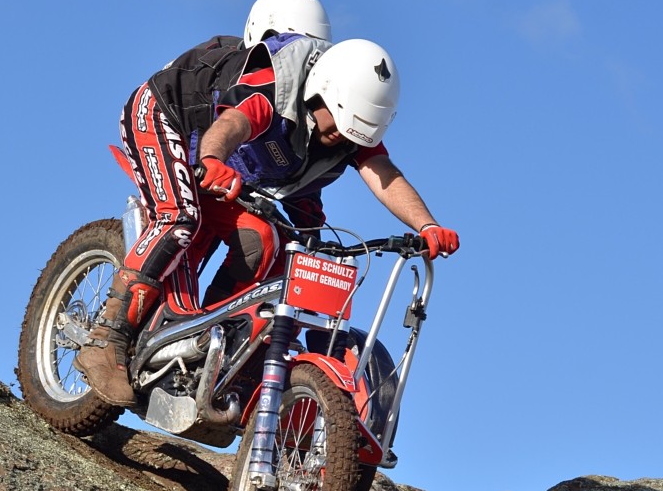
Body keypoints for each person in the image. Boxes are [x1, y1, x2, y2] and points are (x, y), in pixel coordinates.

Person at [77, 26, 459, 407]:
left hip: (214, 156)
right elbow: (233, 124)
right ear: (324, 92)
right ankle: (106, 338)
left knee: (267, 241)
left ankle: (202, 347)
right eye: (341, 126)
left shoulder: (350, 128)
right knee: (178, 219)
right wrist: (212, 158)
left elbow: (385, 175)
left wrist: (426, 225)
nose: (344, 138)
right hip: (165, 116)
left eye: (356, 135)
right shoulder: (277, 90)